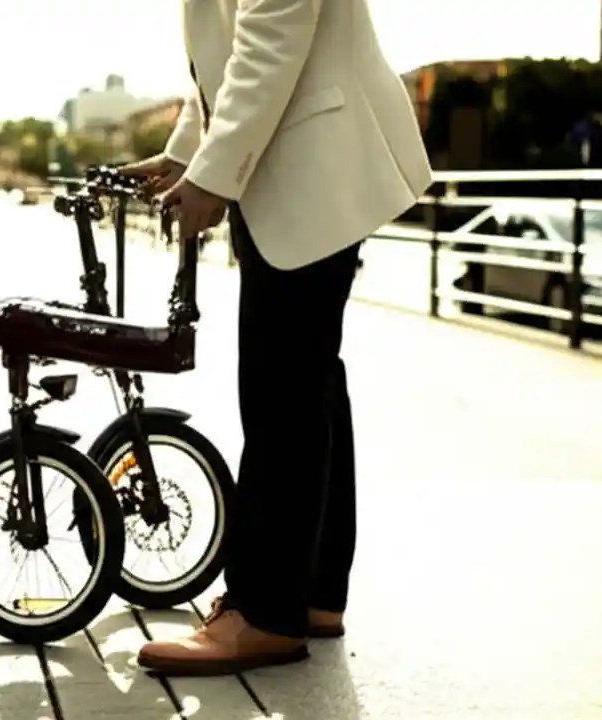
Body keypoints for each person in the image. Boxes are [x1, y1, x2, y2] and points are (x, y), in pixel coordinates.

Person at [121, 0, 432, 675]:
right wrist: (187, 156)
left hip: (313, 159)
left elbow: (271, 41)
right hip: (297, 158)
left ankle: (264, 614)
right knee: (307, 376)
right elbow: (230, 59)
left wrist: (211, 172)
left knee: (280, 386)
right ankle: (313, 591)